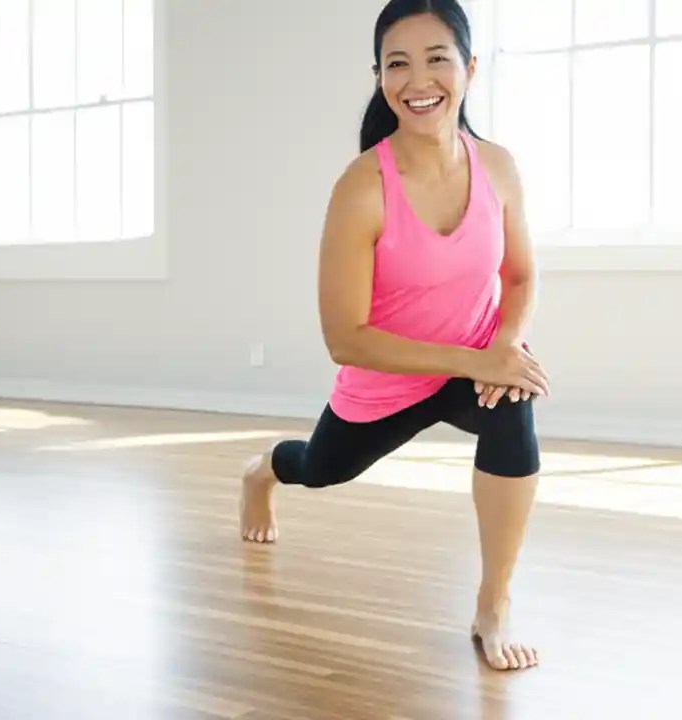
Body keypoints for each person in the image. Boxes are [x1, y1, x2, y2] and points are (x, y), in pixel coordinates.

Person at [238, 0, 547, 672]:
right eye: (397, 63)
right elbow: (345, 338)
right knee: (323, 470)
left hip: (472, 363)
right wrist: (478, 355)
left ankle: (493, 605)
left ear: (468, 68)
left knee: (513, 409)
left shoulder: (497, 167)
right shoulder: (361, 188)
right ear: (379, 77)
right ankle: (262, 471)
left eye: (437, 59)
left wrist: (507, 350)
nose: (418, 79)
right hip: (385, 381)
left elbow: (520, 277)